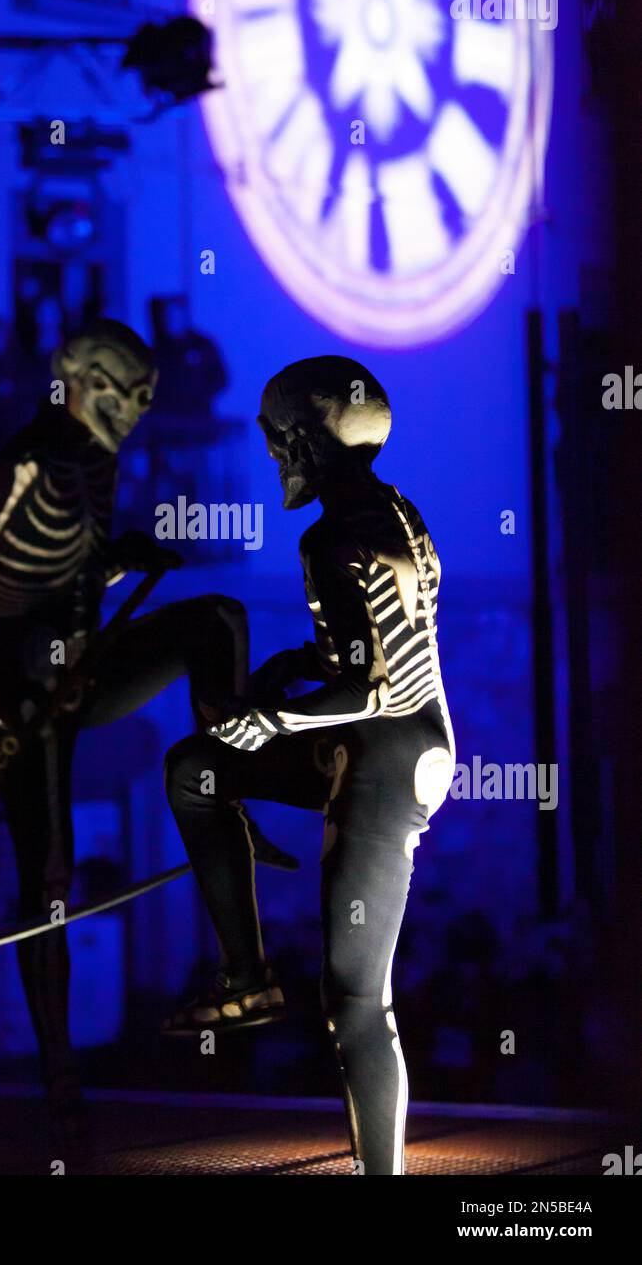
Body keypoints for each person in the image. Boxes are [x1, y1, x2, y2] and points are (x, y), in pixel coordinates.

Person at [0, 317, 294, 1132]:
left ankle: (218, 788)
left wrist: (122, 556)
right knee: (49, 876)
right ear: (80, 380)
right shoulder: (21, 460)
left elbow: (74, 569)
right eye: (125, 392)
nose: (136, 409)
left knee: (219, 618)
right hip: (24, 684)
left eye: (144, 396)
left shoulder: (100, 457)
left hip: (86, 661)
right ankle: (59, 1072)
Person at [162, 356, 455, 1176]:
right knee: (197, 769)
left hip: (382, 756)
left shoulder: (331, 535)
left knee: (356, 997)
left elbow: (370, 684)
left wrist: (271, 718)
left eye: (277, 437)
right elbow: (366, 647)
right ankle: (245, 974)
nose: (271, 455)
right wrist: (290, 675)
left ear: (307, 439)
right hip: (378, 745)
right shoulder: (395, 512)